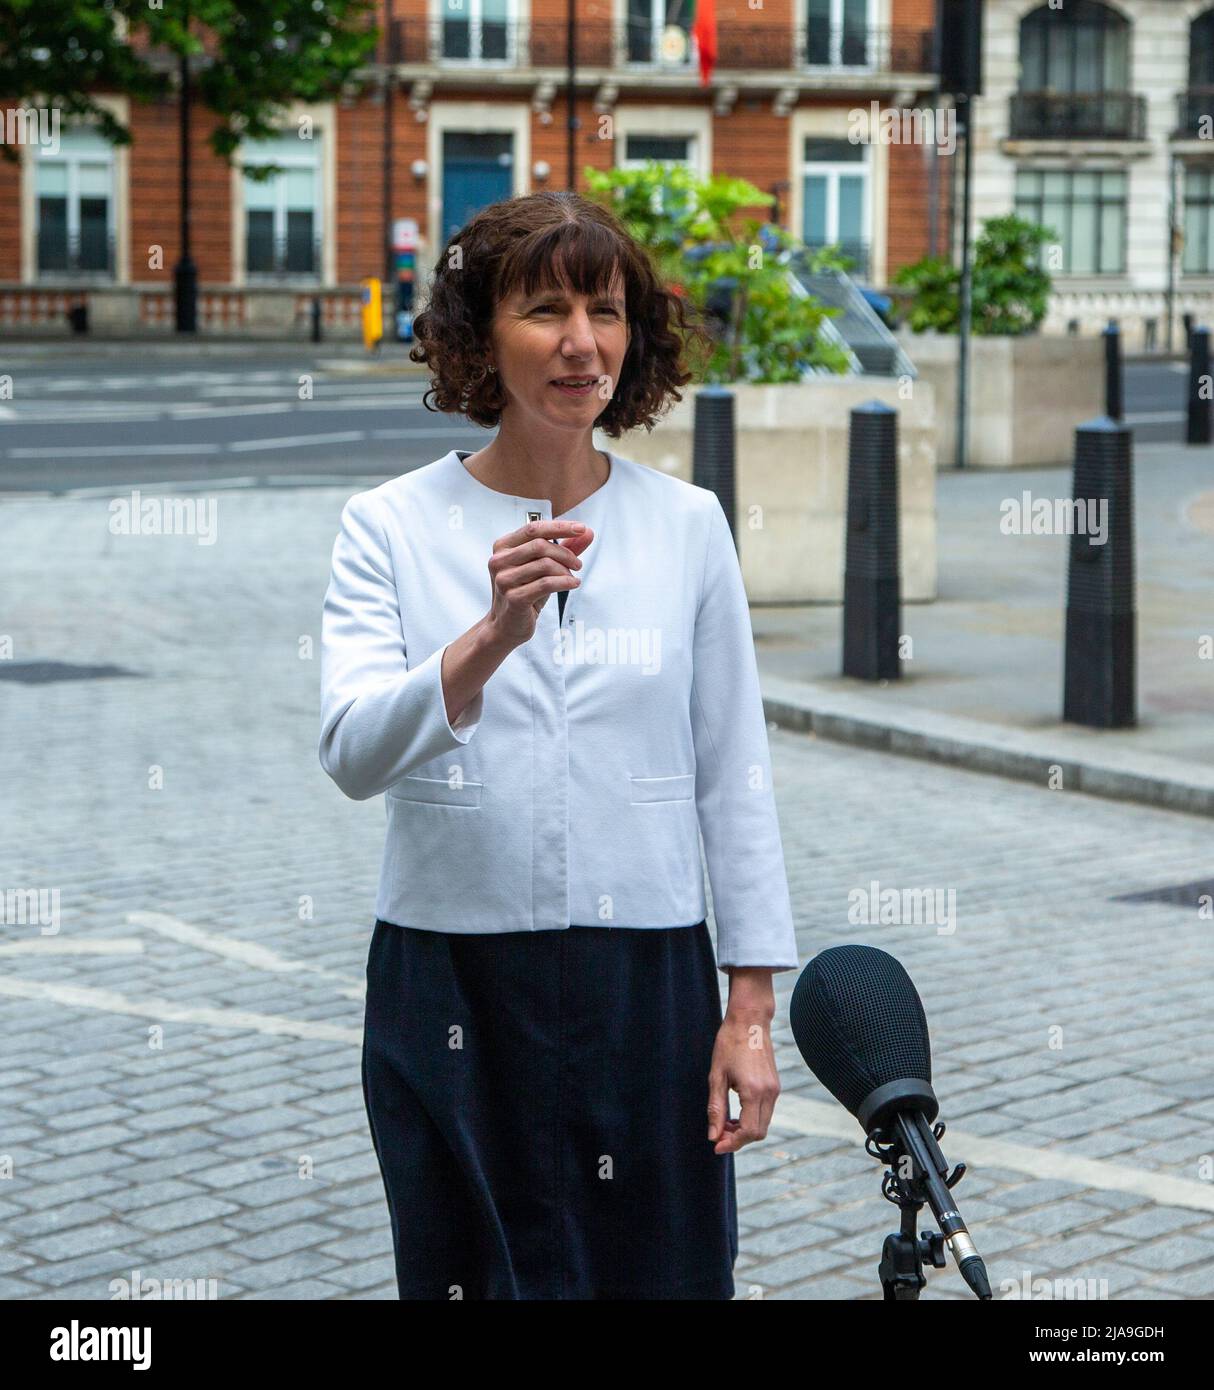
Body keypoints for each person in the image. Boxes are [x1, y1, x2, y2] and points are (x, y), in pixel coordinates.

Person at [318, 190, 800, 1300]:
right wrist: (487, 638)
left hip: (646, 984)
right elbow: (350, 752)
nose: (581, 342)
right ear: (477, 335)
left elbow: (734, 776)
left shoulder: (686, 526)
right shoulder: (387, 524)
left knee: (662, 1275)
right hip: (452, 981)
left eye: (607, 309)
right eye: (543, 309)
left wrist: (748, 1010)